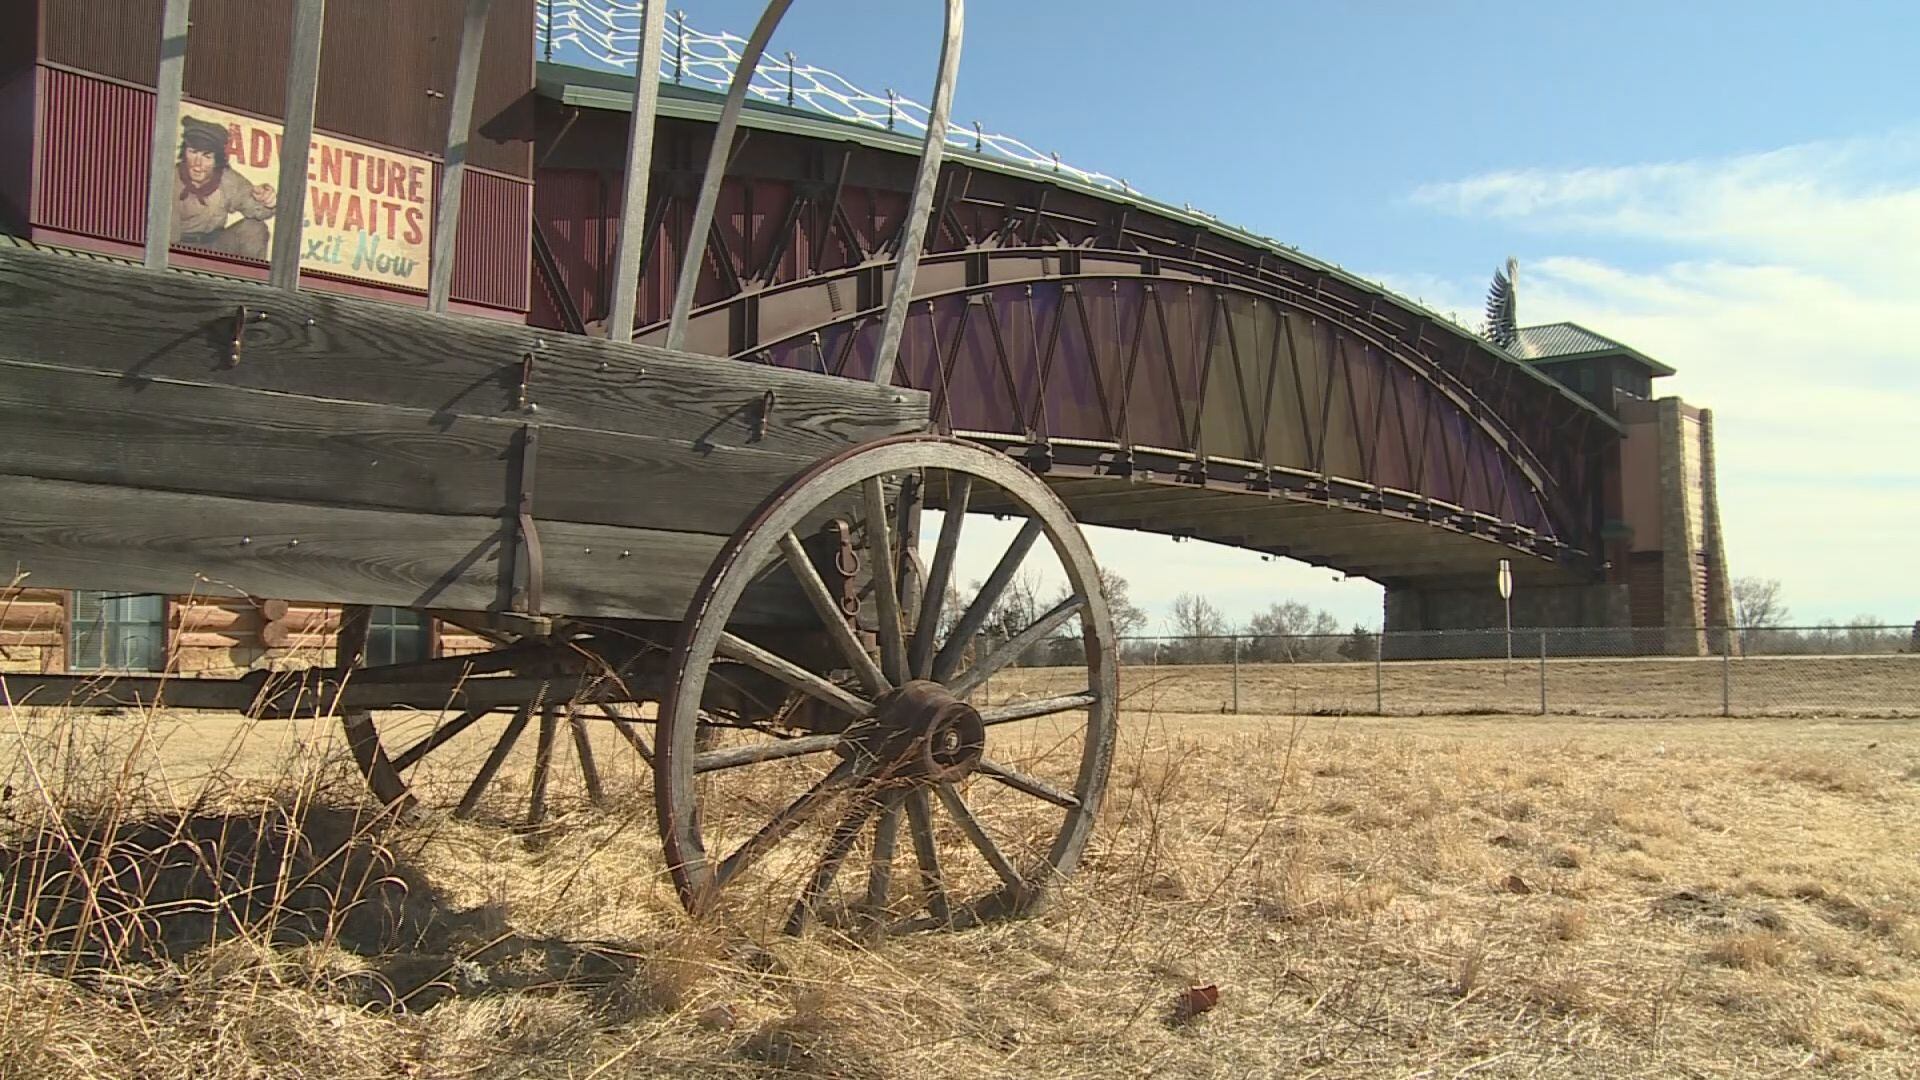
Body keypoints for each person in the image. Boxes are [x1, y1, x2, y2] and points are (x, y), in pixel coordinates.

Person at [171, 115, 276, 259]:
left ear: (216, 161)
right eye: (193, 152)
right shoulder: (170, 179)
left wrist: (267, 200)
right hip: (176, 250)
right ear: (184, 152)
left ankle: (248, 279)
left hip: (216, 248)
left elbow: (259, 210)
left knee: (255, 229)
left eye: (207, 157)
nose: (198, 163)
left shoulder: (227, 179)